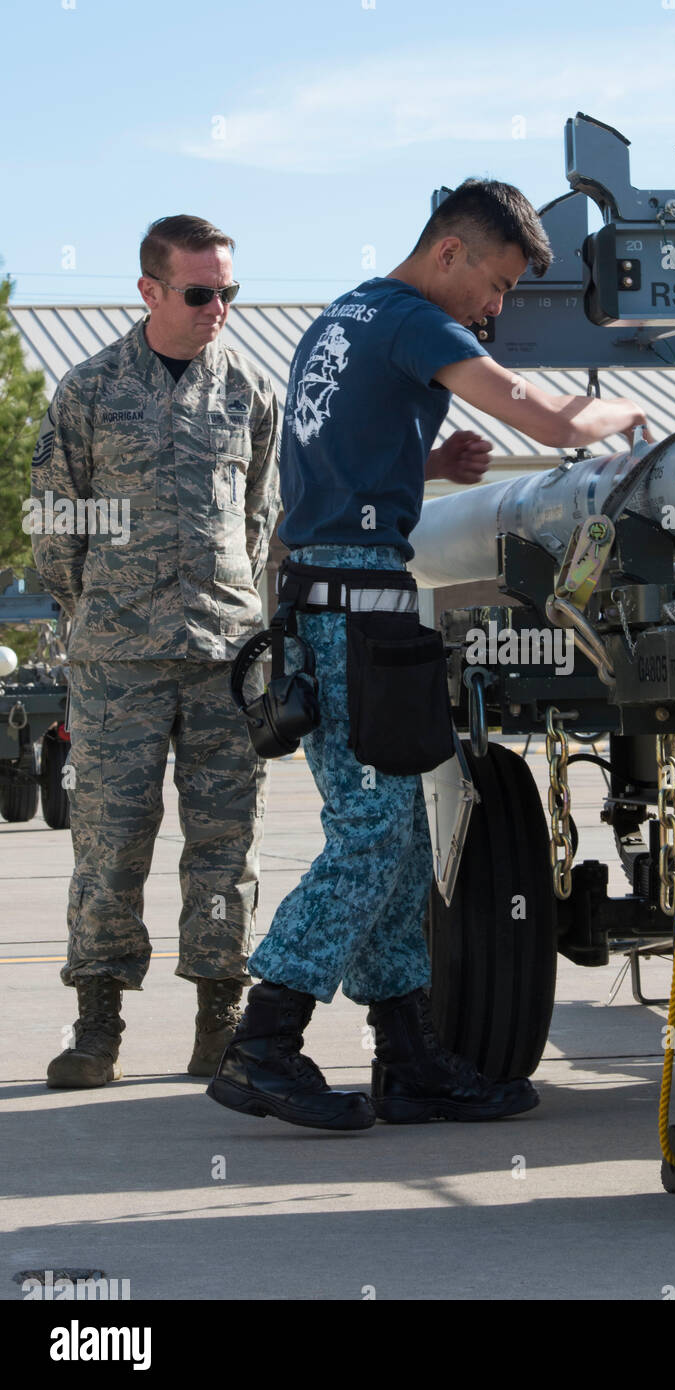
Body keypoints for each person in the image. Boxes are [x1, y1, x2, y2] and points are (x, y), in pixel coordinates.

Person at [207, 179, 650, 1131]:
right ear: (450, 253)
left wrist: (426, 466)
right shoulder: (415, 319)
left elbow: (326, 465)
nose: (494, 311)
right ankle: (263, 1043)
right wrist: (622, 419)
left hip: (337, 605)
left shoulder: (348, 314)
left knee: (399, 836)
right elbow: (548, 419)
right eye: (493, 285)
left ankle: (407, 1057)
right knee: (372, 839)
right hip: (355, 619)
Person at [32, 215, 280, 1087]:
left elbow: (259, 520)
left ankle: (221, 1019)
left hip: (224, 657)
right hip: (117, 664)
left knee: (225, 844)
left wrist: (243, 617)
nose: (219, 308)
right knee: (109, 843)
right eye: (200, 292)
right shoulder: (89, 391)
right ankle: (97, 1027)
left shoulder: (249, 389)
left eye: (229, 293)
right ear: (150, 290)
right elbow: (56, 529)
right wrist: (104, 612)